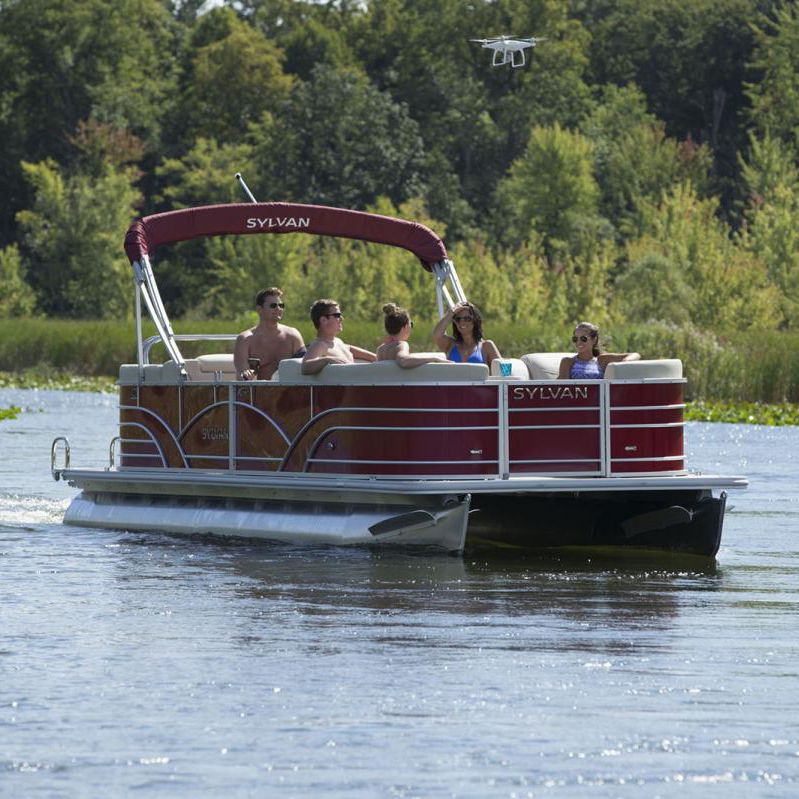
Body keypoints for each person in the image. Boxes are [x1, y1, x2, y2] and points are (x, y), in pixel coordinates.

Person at [234, 287, 305, 380]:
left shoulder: (293, 336)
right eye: (273, 305)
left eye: (281, 305)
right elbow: (241, 374)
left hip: (288, 392)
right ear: (259, 309)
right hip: (257, 392)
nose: (278, 308)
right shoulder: (245, 339)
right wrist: (247, 374)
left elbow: (304, 368)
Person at [301, 299, 377, 374]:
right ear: (323, 320)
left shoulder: (338, 342)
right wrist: (327, 360)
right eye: (337, 315)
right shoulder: (319, 345)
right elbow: (305, 367)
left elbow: (348, 348)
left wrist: (378, 357)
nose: (342, 319)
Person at [558, 321, 640, 379]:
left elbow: (636, 354)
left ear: (594, 340)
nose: (578, 342)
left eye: (583, 338)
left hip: (599, 402)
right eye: (575, 339)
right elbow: (562, 391)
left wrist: (626, 362)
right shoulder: (568, 362)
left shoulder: (601, 360)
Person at [376, 303, 449, 368]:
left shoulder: (380, 349)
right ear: (405, 327)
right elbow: (404, 361)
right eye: (411, 324)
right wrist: (434, 359)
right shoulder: (401, 345)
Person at [432, 301, 501, 368]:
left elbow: (504, 372)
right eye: (458, 319)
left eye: (467, 319)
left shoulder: (487, 346)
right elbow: (436, 335)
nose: (462, 322)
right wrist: (452, 312)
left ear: (475, 320)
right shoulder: (450, 344)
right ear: (455, 322)